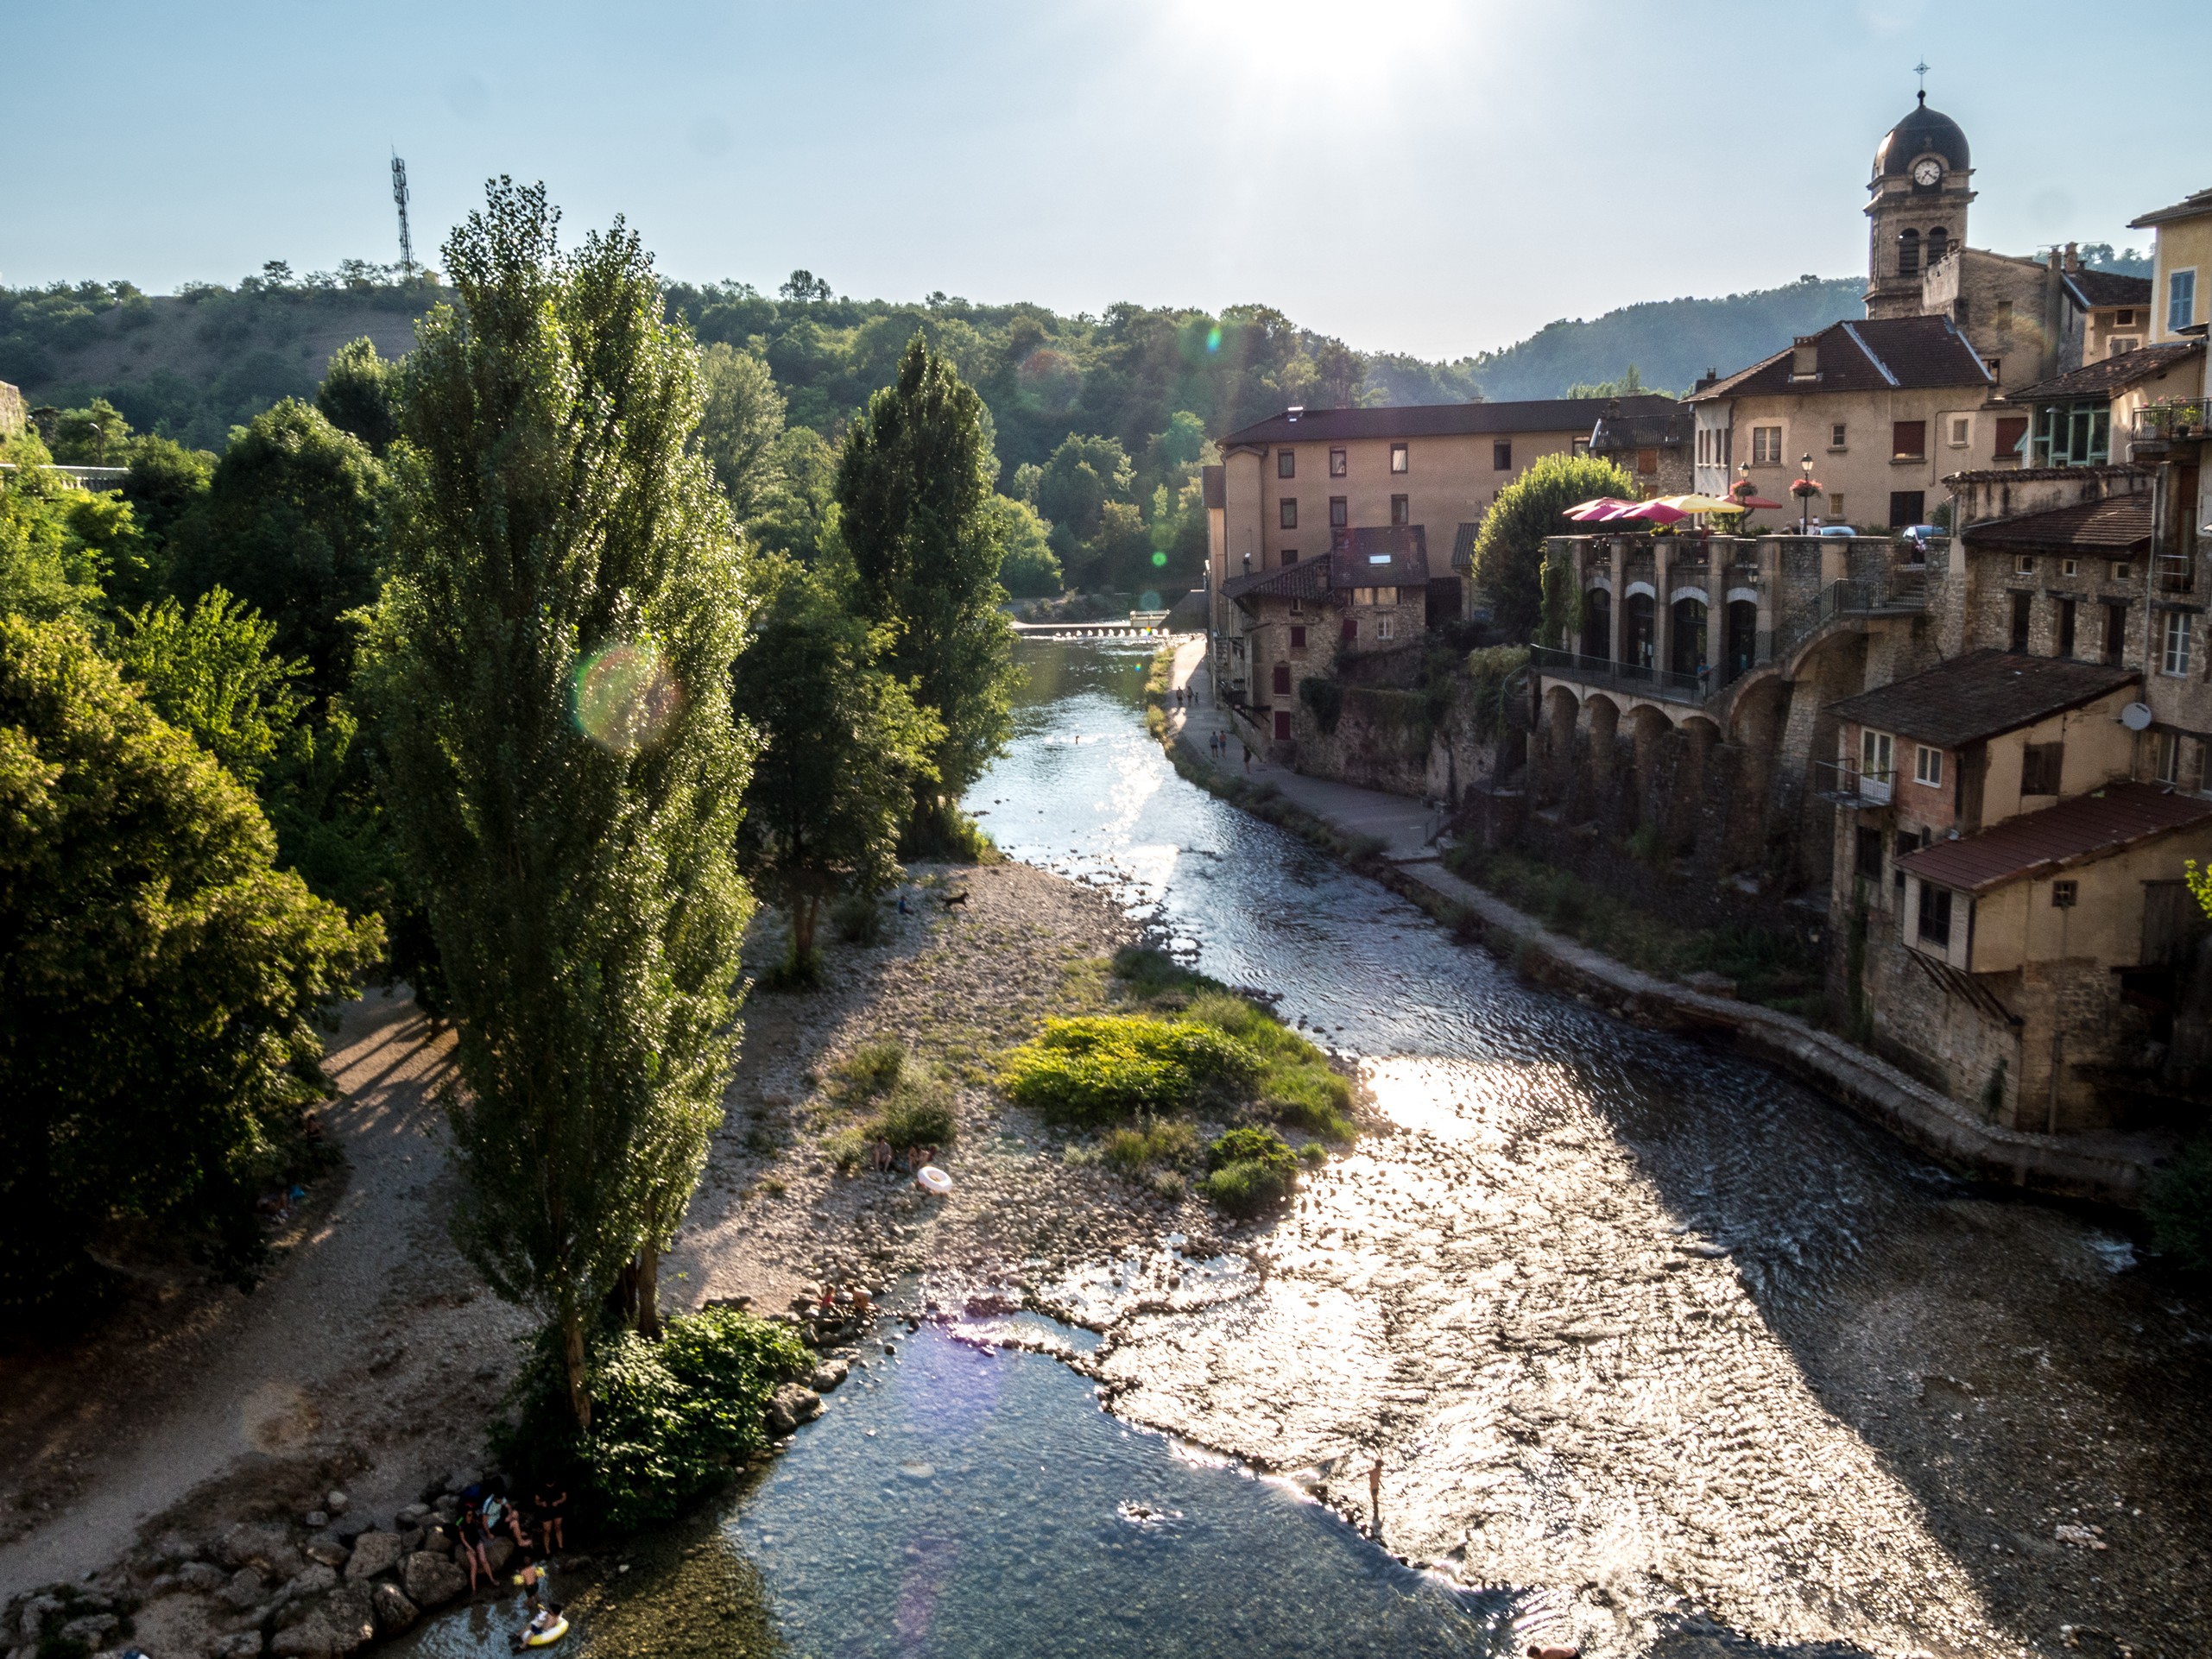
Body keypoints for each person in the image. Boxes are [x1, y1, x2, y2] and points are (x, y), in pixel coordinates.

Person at [457, 1504, 492, 1594]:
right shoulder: (461, 1524)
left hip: (477, 1540)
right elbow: (463, 1539)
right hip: (468, 1544)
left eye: (471, 1514)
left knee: (483, 1560)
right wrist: (470, 1549)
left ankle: (492, 1579)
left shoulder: (473, 1520)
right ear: (465, 1515)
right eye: (469, 1515)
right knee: (474, 1565)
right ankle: (474, 1588)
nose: (470, 1516)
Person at [531, 1486, 568, 1552]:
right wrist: (541, 1503)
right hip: (545, 1512)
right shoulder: (540, 1486)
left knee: (558, 1527)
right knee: (546, 1531)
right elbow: (536, 1500)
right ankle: (547, 1551)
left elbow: (564, 1496)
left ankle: (560, 1546)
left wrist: (558, 1502)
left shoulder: (559, 1484)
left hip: (557, 1510)